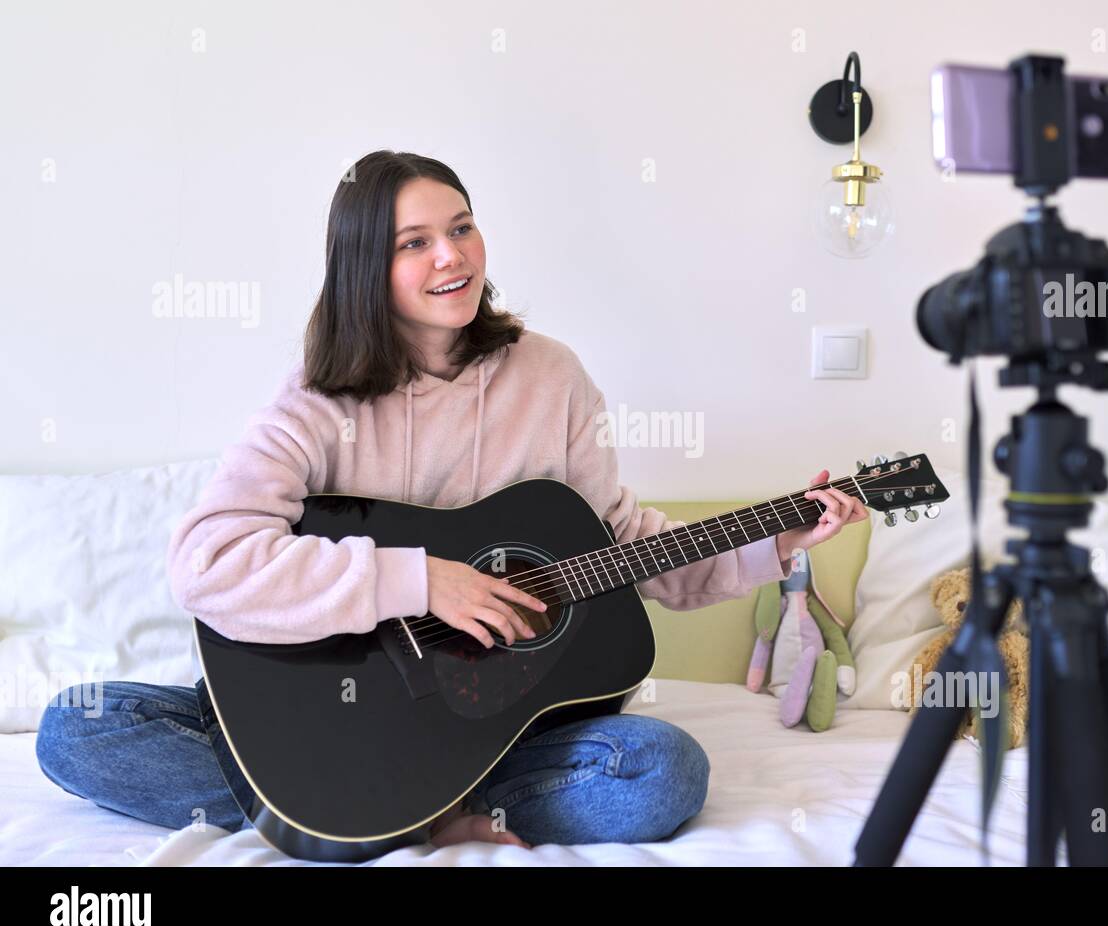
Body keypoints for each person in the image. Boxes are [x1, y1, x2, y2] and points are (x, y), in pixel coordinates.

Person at [35, 150, 867, 853]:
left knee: (662, 773)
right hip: (332, 716)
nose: (452, 256)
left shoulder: (551, 376)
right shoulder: (318, 401)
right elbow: (207, 564)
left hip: (489, 733)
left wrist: (778, 540)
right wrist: (421, 582)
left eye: (462, 227)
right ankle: (391, 810)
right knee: (78, 724)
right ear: (367, 265)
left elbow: (621, 540)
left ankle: (400, 811)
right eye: (416, 242)